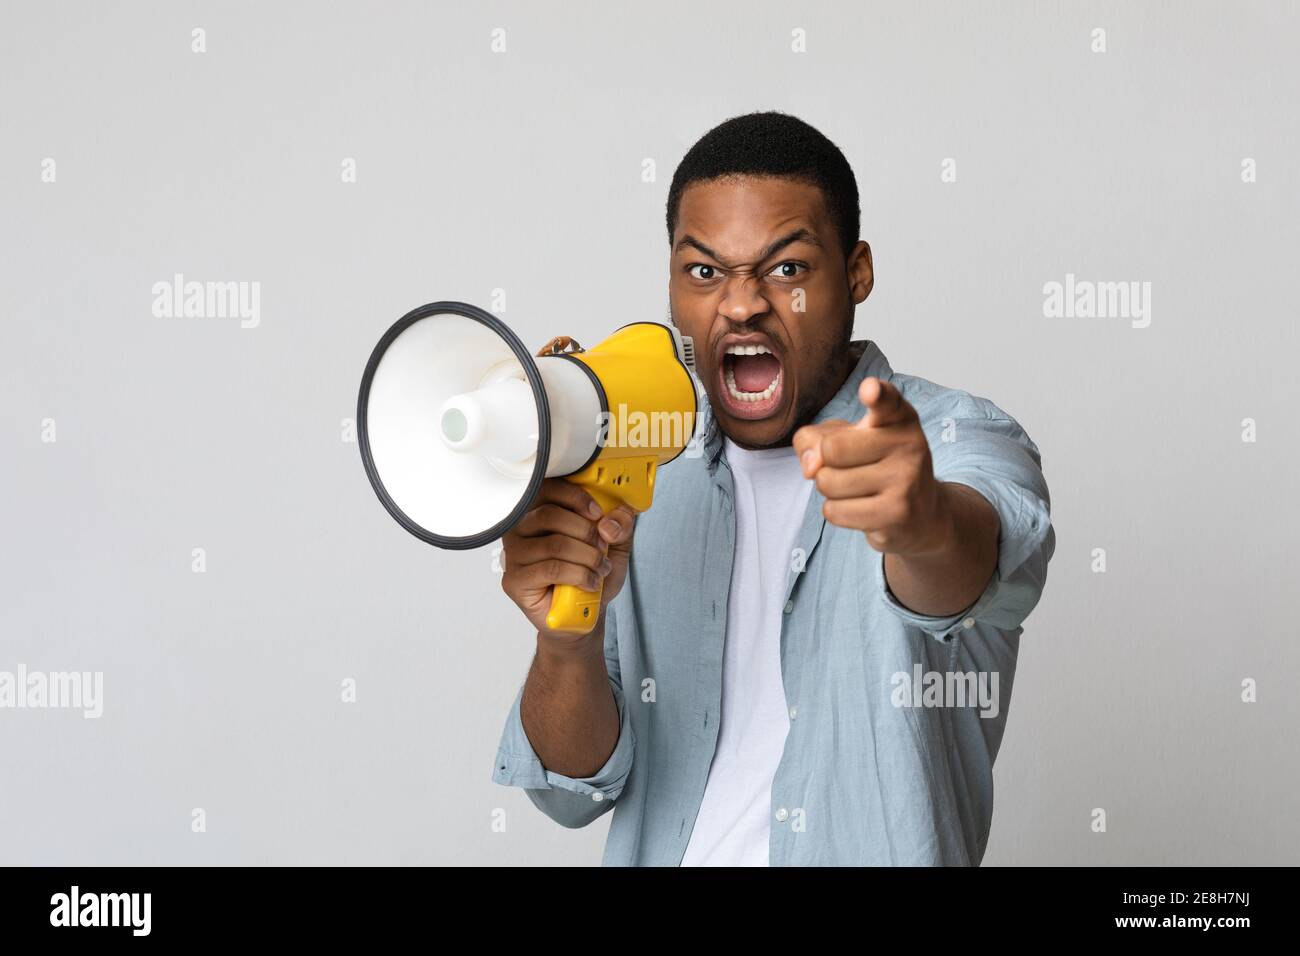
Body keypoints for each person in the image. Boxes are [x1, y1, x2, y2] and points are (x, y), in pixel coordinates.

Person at [491, 110, 1055, 866]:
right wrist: (567, 643)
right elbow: (569, 793)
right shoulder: (641, 459)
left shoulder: (957, 438)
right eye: (704, 271)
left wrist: (921, 524)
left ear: (857, 271)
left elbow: (972, 563)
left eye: (786, 269)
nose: (741, 303)